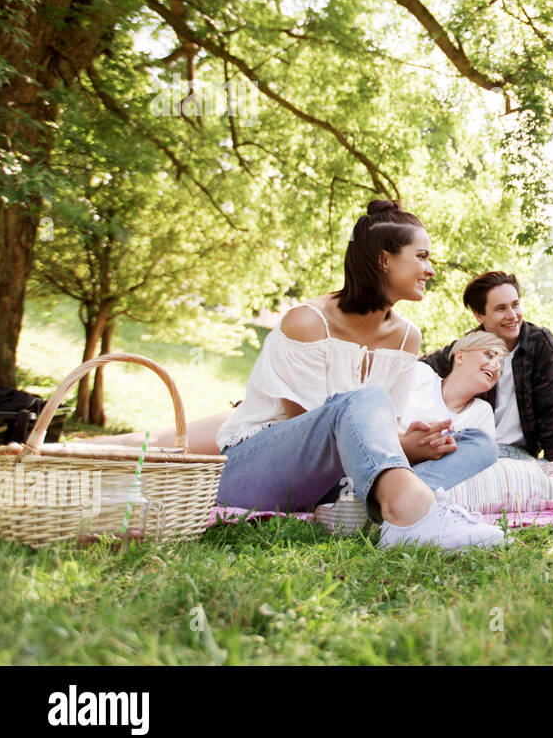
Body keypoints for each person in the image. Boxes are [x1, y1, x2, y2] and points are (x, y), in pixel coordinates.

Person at [212, 200, 506, 550]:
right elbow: (313, 430)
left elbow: (383, 426)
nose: (430, 270)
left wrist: (410, 441)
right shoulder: (306, 322)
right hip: (255, 470)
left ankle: (372, 509)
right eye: (422, 256)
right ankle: (408, 511)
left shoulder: (406, 337)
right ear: (384, 260)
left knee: (478, 442)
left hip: (341, 482)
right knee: (366, 398)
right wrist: (398, 445)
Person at [422, 271, 553, 462]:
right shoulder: (468, 348)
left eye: (515, 305)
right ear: (479, 315)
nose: (512, 316)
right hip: (468, 451)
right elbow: (418, 369)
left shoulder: (542, 347)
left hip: (520, 455)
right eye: (501, 308)